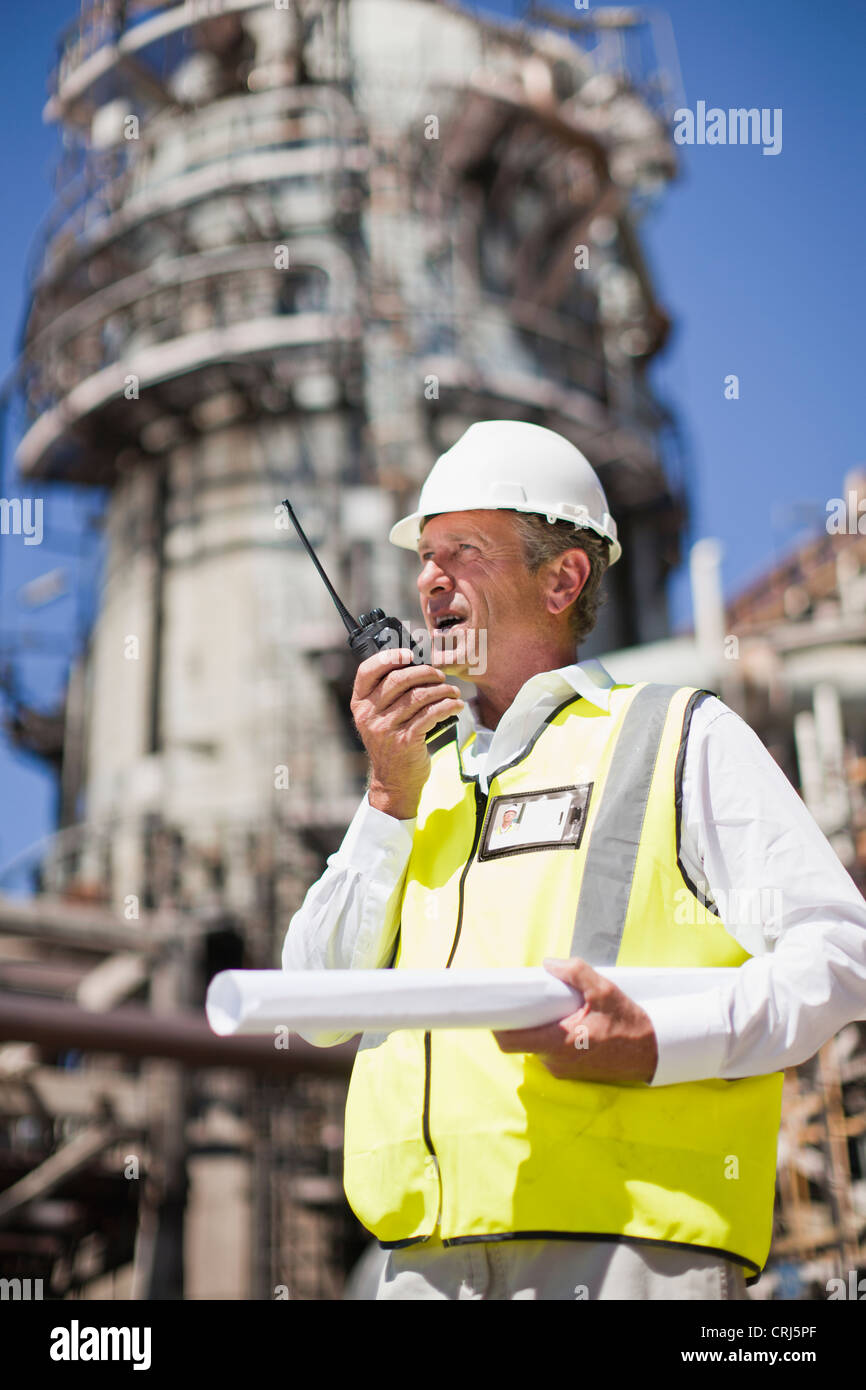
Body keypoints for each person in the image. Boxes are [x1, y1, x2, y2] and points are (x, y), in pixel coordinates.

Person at [282, 419, 866, 1301]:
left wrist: (659, 1042)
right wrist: (385, 801)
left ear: (563, 578)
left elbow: (840, 953)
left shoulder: (674, 736)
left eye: (464, 551)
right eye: (425, 555)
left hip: (629, 1254)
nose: (429, 580)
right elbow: (315, 1006)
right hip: (422, 1266)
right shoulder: (414, 784)